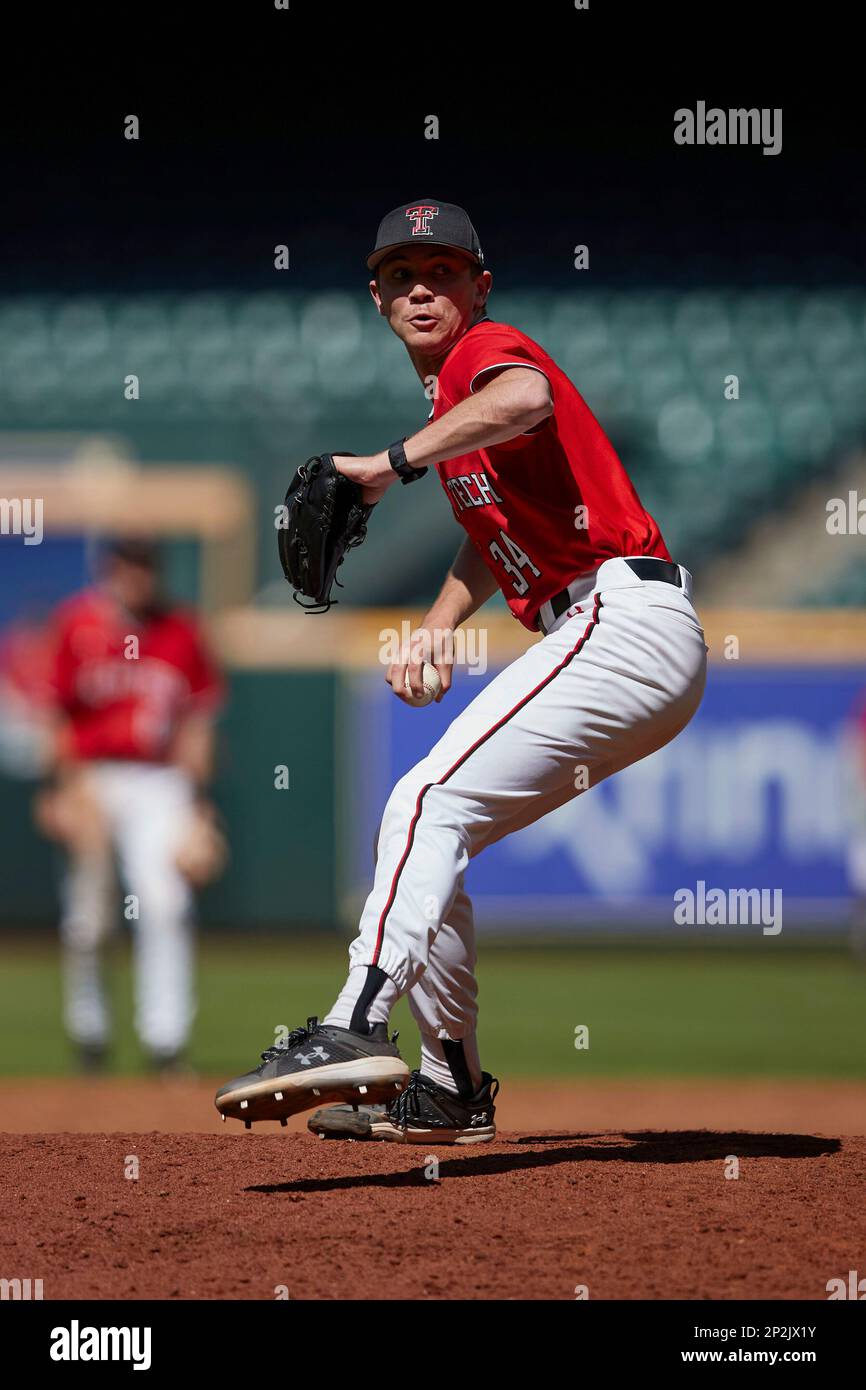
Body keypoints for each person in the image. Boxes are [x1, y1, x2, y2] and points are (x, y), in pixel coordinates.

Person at [215, 199, 707, 1142]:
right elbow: (495, 536)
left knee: (424, 802)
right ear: (377, 298)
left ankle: (354, 1022)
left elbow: (529, 399)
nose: (422, 289)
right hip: (612, 627)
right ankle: (447, 1087)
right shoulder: (453, 415)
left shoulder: (487, 358)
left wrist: (387, 465)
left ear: (479, 287)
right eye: (401, 275)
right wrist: (438, 625)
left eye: (442, 271)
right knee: (434, 833)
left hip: (622, 615)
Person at [35, 537, 225, 1072]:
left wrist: (198, 809)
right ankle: (90, 1035)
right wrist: (65, 790)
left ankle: (165, 1043)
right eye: (129, 565)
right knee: (88, 919)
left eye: (147, 565)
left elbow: (198, 723)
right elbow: (55, 715)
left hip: (160, 782)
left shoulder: (181, 630)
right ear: (109, 569)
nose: (138, 576)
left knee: (165, 904)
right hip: (93, 776)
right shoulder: (77, 624)